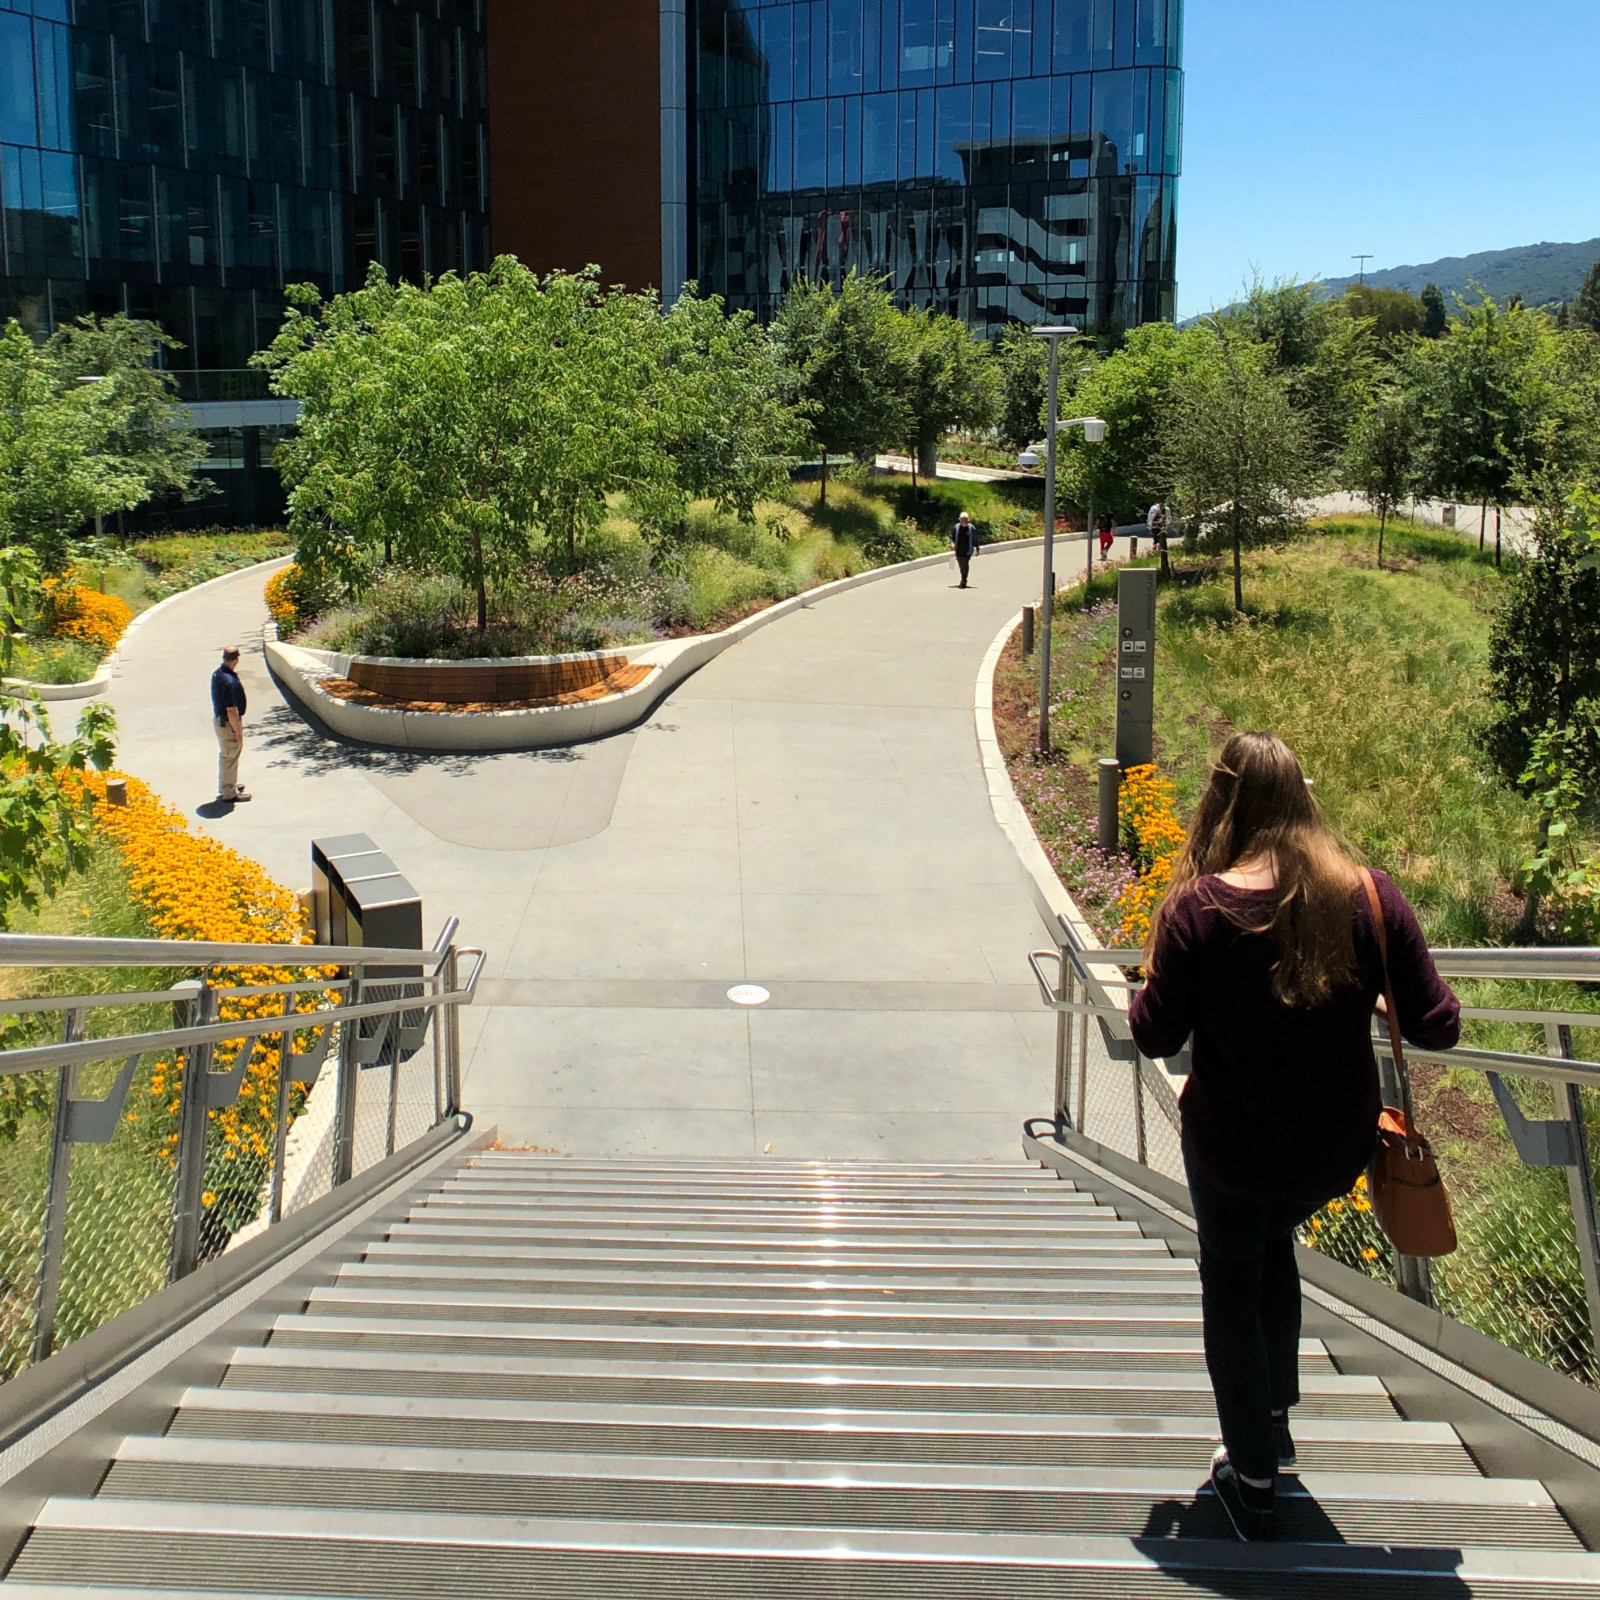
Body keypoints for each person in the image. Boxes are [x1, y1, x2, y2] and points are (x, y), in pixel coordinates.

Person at [1128, 732, 1458, 1542]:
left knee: (1233, 1279)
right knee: (1274, 1245)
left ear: (1223, 802)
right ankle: (1271, 1422)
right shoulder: (1369, 895)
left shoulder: (1198, 908)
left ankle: (1251, 1476)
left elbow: (1152, 1036)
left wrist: (1163, 983)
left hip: (1232, 1147)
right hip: (1330, 1151)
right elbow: (1440, 1026)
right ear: (1304, 800)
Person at [211, 645, 250, 804]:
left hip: (220, 720)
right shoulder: (229, 681)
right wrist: (238, 731)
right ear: (236, 659)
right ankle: (229, 792)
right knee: (231, 755)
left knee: (226, 754)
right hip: (228, 723)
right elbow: (232, 711)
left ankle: (227, 785)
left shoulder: (218, 674)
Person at [951, 511, 979, 588]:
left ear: (968, 520)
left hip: (967, 550)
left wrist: (977, 548)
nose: (964, 520)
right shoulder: (956, 527)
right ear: (960, 520)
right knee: (961, 565)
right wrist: (952, 544)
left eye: (965, 519)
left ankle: (964, 580)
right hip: (958, 550)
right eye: (962, 519)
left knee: (965, 564)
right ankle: (963, 578)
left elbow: (975, 539)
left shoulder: (971, 528)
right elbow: (952, 537)